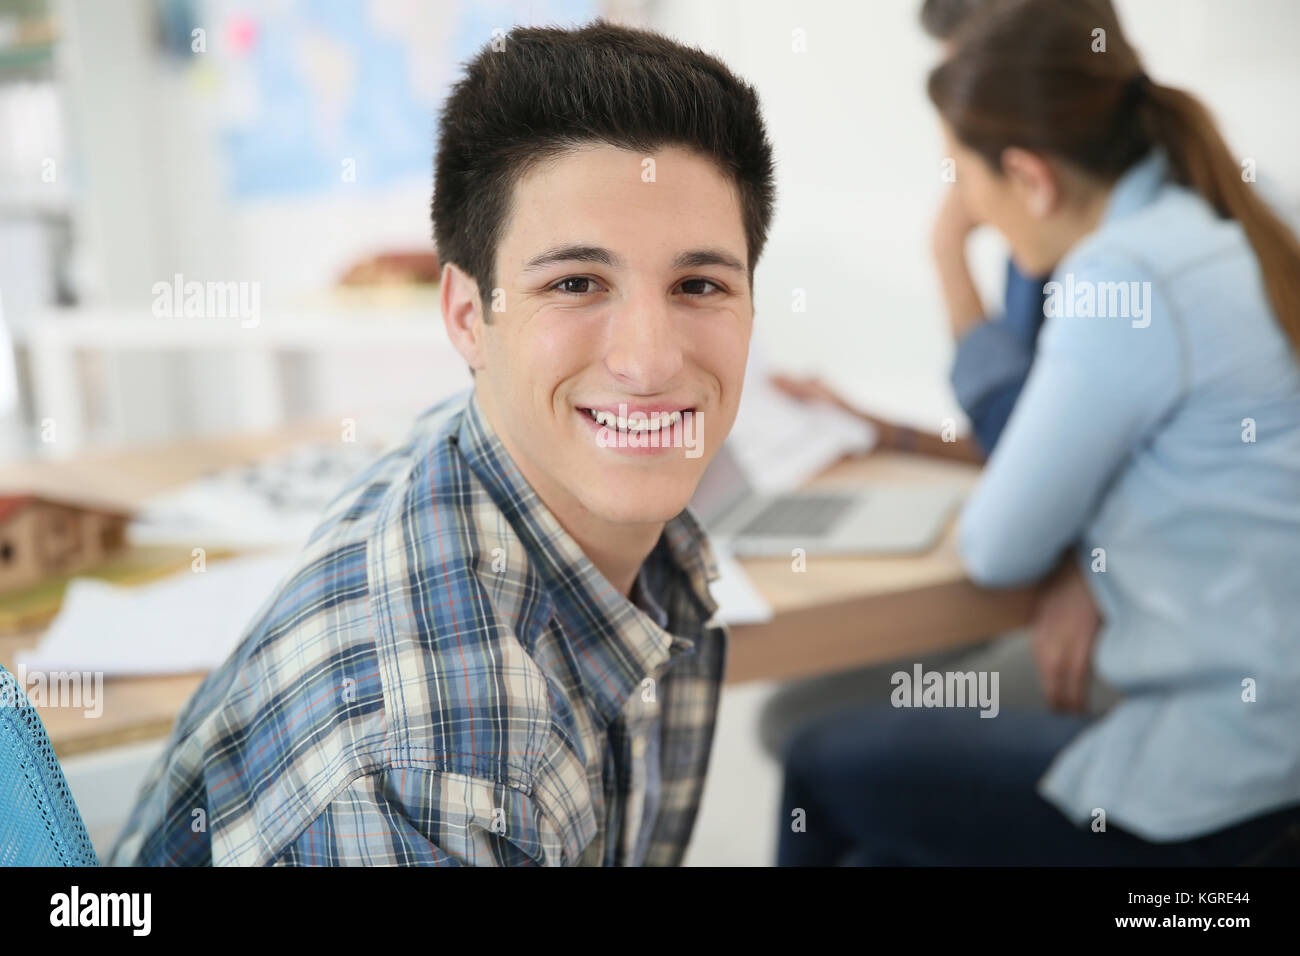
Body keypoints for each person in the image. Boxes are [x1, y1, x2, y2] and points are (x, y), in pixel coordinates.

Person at [109, 21, 776, 867]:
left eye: (699, 284)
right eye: (576, 283)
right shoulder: (436, 766)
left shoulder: (506, 469)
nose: (649, 360)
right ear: (469, 315)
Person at [778, 0, 1300, 865]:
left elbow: (996, 546)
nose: (965, 208)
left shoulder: (1119, 276)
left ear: (1029, 175)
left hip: (1222, 780)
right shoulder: (1232, 218)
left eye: (963, 177)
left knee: (818, 762)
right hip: (1270, 741)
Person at [756, 0, 1123, 761]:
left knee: (807, 734)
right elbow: (1031, 448)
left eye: (971, 84)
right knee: (798, 719)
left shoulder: (1112, 262)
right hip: (1074, 584)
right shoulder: (1062, 234)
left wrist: (948, 254)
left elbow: (1020, 476)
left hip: (1142, 629)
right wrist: (880, 427)